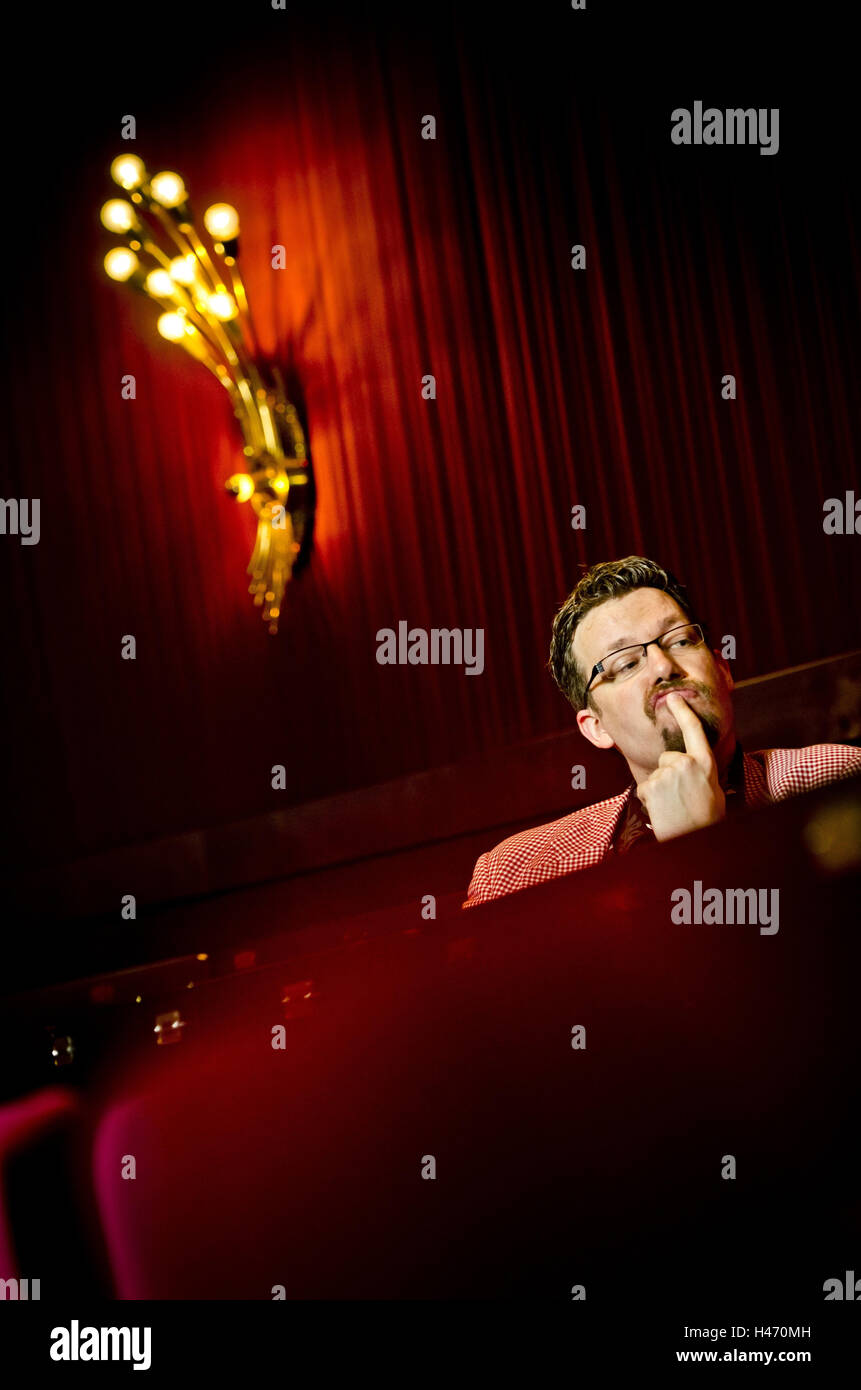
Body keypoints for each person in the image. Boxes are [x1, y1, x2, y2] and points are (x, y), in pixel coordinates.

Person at [464, 556, 861, 907]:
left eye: (681, 640)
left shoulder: (840, 778)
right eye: (625, 664)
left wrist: (702, 850)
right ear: (596, 728)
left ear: (723, 671)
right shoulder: (514, 873)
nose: (662, 666)